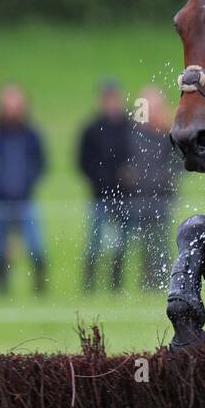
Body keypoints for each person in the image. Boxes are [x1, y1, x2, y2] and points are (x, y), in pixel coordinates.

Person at [0, 83, 48, 295]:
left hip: (25, 200)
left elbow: (41, 163)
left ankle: (40, 287)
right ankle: (0, 288)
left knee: (35, 245)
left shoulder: (31, 134)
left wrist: (28, 182)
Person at [76, 79, 136, 292]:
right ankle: (89, 284)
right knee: (95, 242)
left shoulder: (130, 127)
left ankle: (115, 284)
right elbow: (83, 162)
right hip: (99, 195)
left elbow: (136, 156)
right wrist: (100, 181)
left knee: (121, 243)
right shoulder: (91, 129)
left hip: (125, 196)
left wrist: (130, 176)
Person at [123, 85, 181, 290]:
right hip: (135, 197)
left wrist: (166, 176)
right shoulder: (134, 134)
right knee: (128, 243)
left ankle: (160, 280)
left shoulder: (169, 135)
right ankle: (132, 281)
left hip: (161, 198)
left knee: (159, 242)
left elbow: (178, 163)